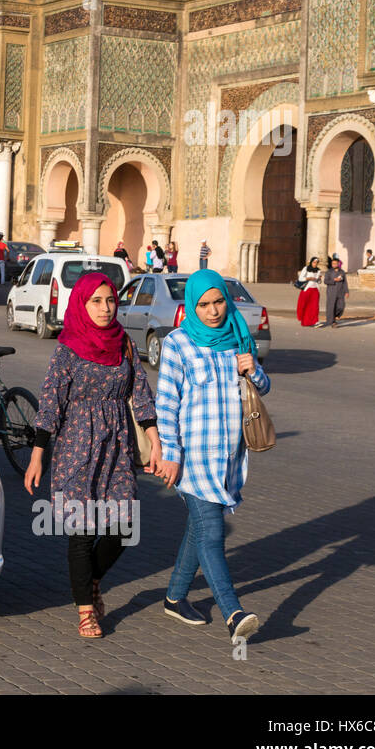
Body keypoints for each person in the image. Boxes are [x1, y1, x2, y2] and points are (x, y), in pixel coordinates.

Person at [24, 272, 160, 639]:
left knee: (124, 525)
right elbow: (50, 403)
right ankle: (86, 610)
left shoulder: (124, 344)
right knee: (83, 532)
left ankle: (92, 579)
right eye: (96, 301)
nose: (105, 308)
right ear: (81, 305)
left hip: (117, 446)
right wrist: (37, 455)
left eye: (110, 300)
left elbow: (141, 395)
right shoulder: (67, 349)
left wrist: (155, 442)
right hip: (77, 448)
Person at [156, 269, 271, 643]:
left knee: (200, 528)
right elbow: (167, 404)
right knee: (212, 532)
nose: (213, 311)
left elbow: (263, 387)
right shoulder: (178, 344)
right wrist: (171, 454)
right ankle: (233, 614)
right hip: (193, 458)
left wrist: (253, 370)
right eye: (203, 305)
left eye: (218, 301)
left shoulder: (238, 336)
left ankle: (175, 597)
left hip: (229, 456)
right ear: (192, 306)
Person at [324, 256, 348, 327]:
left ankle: (334, 316)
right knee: (331, 306)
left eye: (335, 263)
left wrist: (346, 291)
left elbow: (345, 282)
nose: (334, 265)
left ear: (338, 264)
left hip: (340, 292)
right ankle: (332, 321)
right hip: (331, 292)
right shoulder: (329, 272)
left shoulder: (342, 272)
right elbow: (325, 281)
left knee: (341, 306)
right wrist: (334, 280)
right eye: (332, 263)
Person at [296, 257, 321, 327]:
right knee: (305, 305)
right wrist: (308, 278)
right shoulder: (306, 268)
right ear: (311, 262)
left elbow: (318, 281)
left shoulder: (318, 270)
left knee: (315, 306)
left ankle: (315, 321)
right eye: (314, 262)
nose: (315, 264)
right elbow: (300, 278)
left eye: (316, 263)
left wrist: (319, 279)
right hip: (307, 289)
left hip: (315, 289)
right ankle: (306, 321)